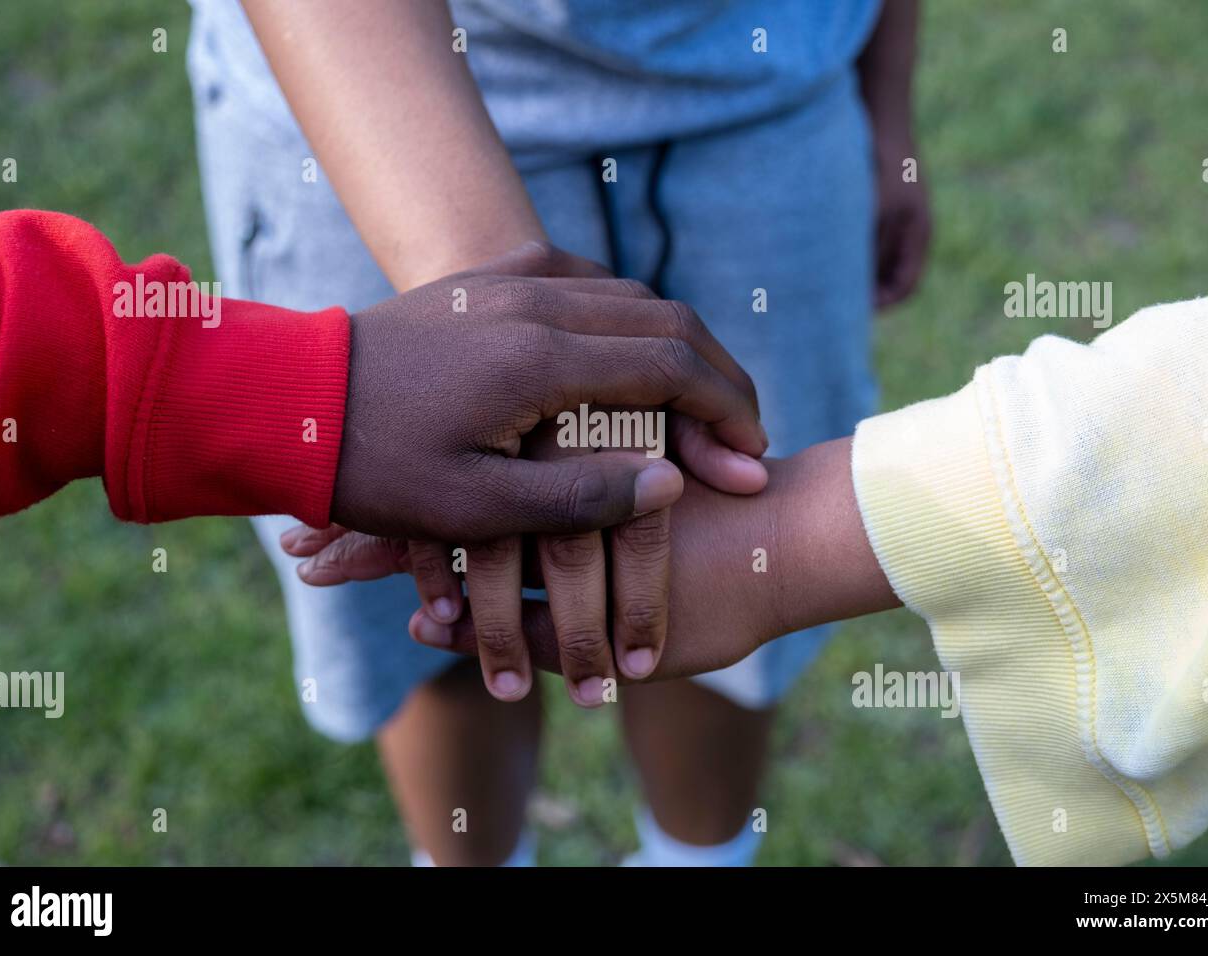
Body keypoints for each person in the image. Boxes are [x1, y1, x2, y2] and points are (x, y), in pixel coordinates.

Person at [186, 0, 928, 867]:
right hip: (364, 101)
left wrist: (888, 100)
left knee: (732, 552)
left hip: (765, 95)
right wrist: (502, 347)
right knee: (440, 601)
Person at [291, 278, 1208, 866]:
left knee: (644, 618)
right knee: (445, 615)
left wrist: (783, 554)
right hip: (375, 156)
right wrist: (522, 339)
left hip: (763, 99)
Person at [0, 210, 764, 544]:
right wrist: (314, 394)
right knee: (424, 637)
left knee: (705, 539)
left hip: (776, 90)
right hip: (336, 115)